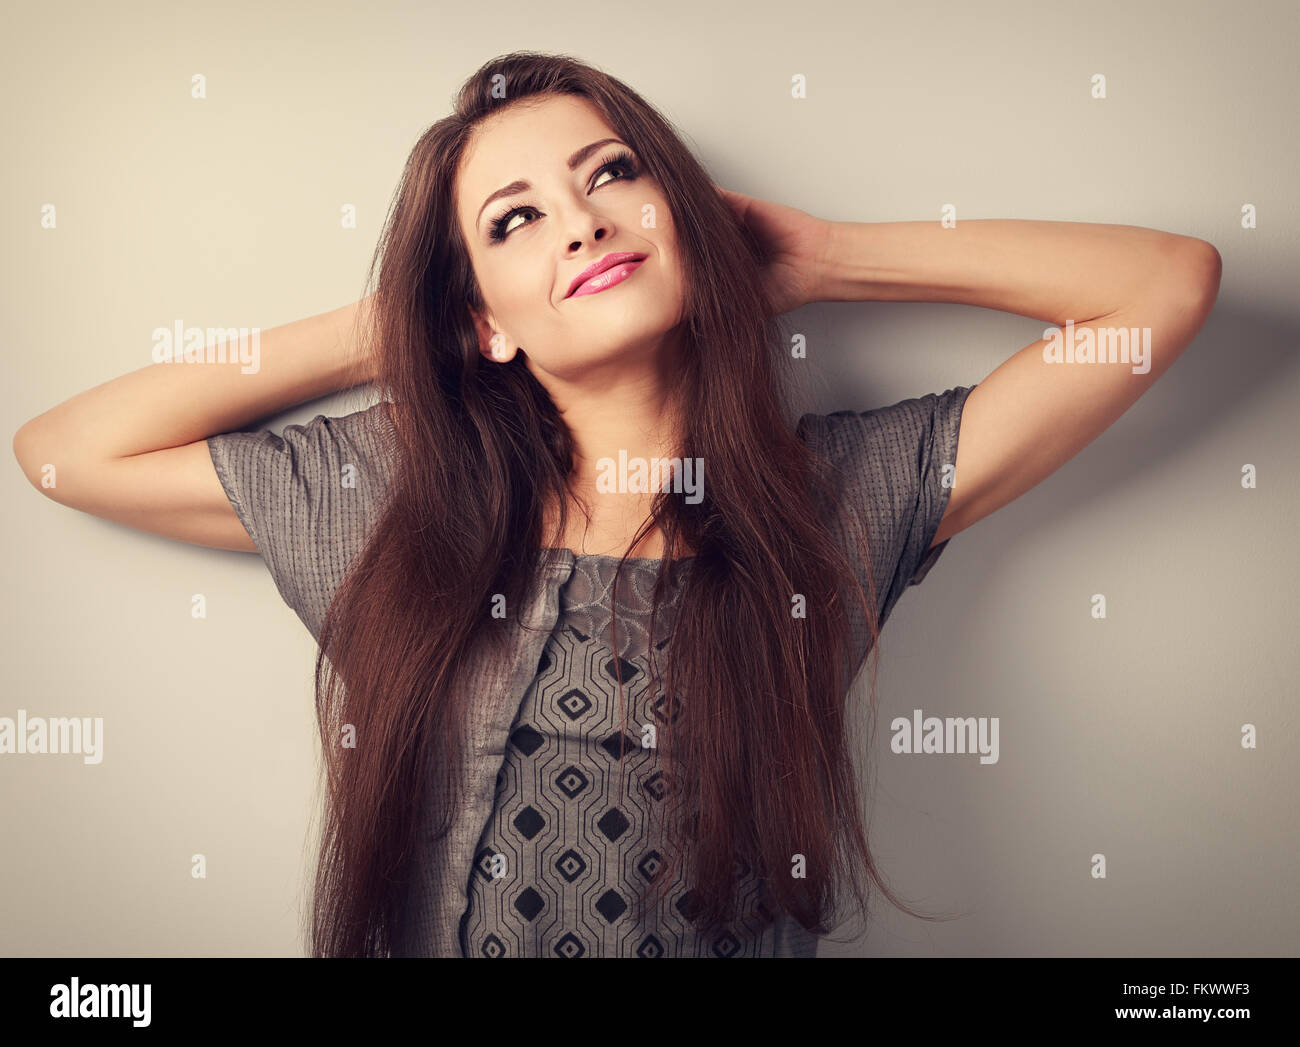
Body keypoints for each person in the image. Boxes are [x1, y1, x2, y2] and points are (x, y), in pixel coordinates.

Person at [12, 51, 1221, 958]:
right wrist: (406, 327)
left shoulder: (842, 498)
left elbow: (1164, 286)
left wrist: (834, 260)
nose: (582, 218)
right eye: (514, 219)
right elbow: (66, 451)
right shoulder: (388, 504)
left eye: (614, 176)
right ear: (480, 317)